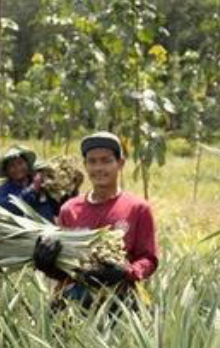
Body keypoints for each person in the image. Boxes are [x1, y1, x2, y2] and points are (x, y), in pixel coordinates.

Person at [47, 132, 158, 308]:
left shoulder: (138, 208)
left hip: (121, 301)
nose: (99, 168)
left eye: (106, 160)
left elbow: (149, 259)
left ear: (120, 163)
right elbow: (63, 268)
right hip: (75, 301)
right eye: (92, 161)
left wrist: (126, 271)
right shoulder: (69, 209)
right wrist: (47, 263)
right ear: (85, 166)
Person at [0, 147, 40, 215]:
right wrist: (32, 189)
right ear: (7, 171)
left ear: (27, 164)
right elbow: (10, 206)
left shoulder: (38, 181)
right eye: (12, 165)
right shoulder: (3, 190)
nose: (17, 168)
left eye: (20, 163)